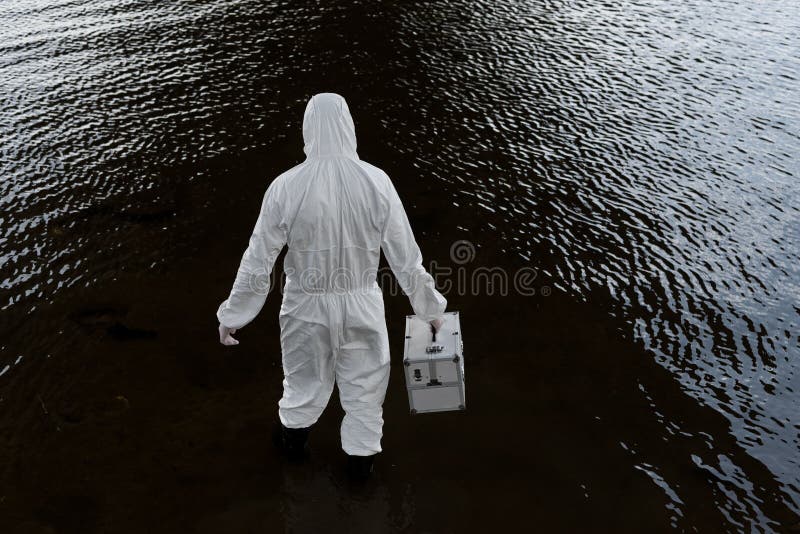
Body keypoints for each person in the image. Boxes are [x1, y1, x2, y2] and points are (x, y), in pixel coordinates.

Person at [216, 93, 446, 481]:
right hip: (362, 303)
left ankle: (292, 468)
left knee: (302, 386)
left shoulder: (286, 186)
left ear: (308, 130)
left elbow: (259, 259)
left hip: (305, 306)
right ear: (349, 127)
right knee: (365, 395)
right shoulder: (378, 181)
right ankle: (359, 481)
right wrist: (431, 309)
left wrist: (233, 315)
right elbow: (406, 256)